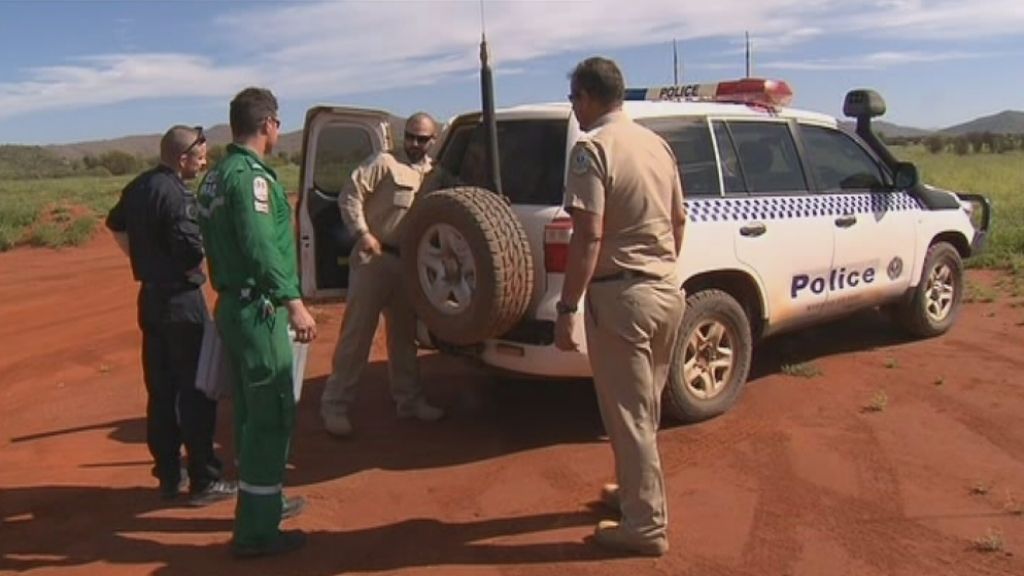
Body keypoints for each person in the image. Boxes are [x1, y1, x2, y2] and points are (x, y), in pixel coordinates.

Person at [554, 57, 686, 557]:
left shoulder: (592, 149)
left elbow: (588, 235)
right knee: (644, 410)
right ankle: (633, 493)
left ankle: (646, 526)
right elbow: (678, 220)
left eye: (574, 98)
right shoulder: (657, 144)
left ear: (588, 97)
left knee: (628, 416)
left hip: (622, 299)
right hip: (666, 292)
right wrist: (660, 270)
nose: (573, 108)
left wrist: (567, 307)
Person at [197, 87, 317, 558]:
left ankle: (264, 504)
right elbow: (260, 246)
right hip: (259, 308)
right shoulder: (251, 180)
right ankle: (257, 532)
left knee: (251, 414)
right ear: (268, 124)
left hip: (235, 305)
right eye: (278, 122)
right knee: (271, 413)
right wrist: (293, 301)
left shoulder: (215, 175)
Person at [106, 125, 237, 507]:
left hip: (150, 298)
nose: (203, 163)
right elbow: (191, 252)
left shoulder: (139, 186)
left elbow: (115, 224)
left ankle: (168, 475)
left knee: (161, 390)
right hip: (181, 302)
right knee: (197, 390)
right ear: (182, 159)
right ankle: (204, 480)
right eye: (200, 158)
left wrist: (143, 259)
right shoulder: (177, 195)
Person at [320, 113, 444, 437]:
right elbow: (350, 195)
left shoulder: (436, 174)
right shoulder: (384, 162)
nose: (414, 143)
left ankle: (409, 401)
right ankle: (335, 405)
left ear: (433, 140)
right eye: (410, 136)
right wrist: (362, 233)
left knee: (404, 337)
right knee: (357, 335)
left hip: (408, 263)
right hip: (374, 259)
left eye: (421, 139)